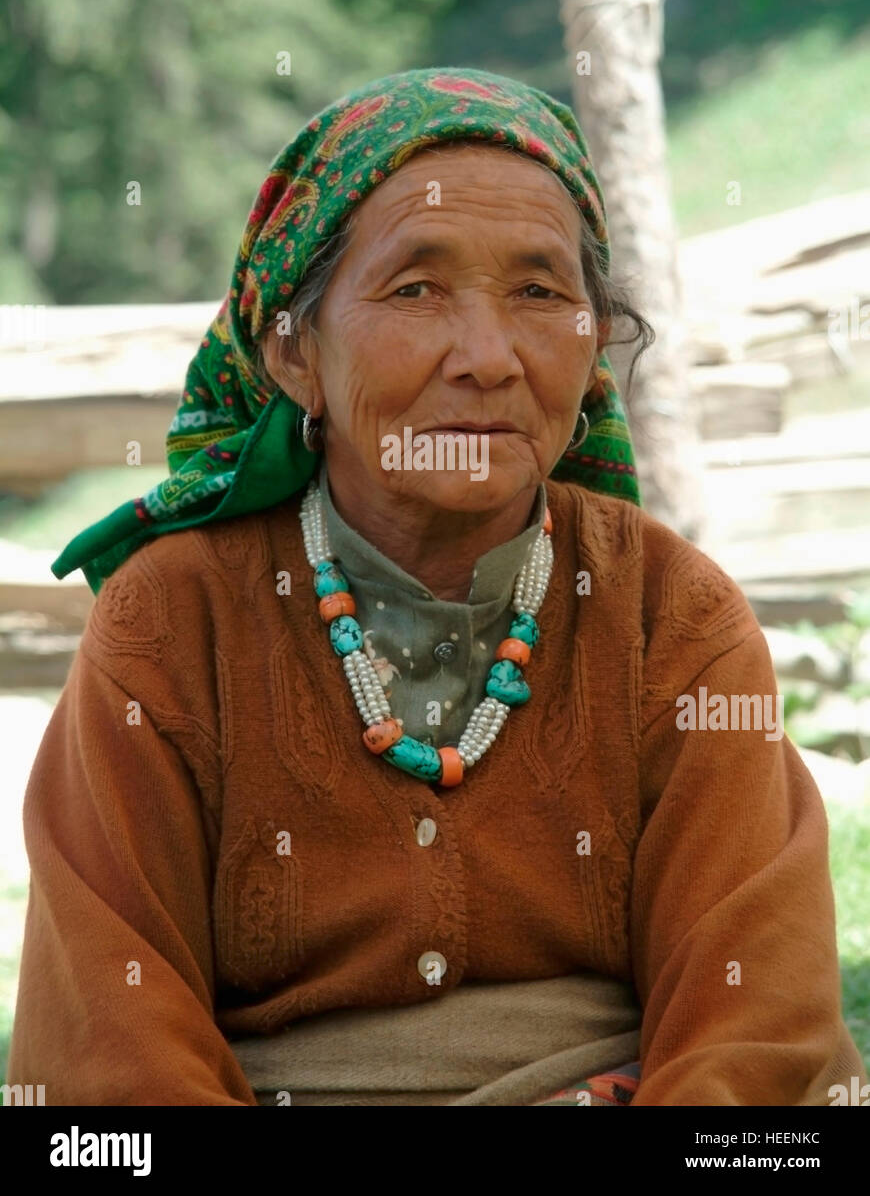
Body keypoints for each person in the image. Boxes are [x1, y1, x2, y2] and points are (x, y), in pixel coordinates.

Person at [7, 67, 865, 1106]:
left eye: (542, 293)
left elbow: (756, 1034)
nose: (489, 356)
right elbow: (110, 1059)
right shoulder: (166, 626)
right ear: (292, 353)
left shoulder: (669, 619)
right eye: (416, 290)